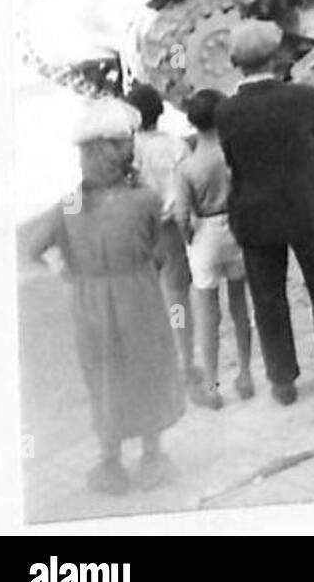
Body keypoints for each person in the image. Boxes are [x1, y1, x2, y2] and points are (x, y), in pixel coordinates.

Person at [21, 98, 185, 495]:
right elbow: (162, 253)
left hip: (90, 303)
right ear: (123, 152)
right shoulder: (144, 199)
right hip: (139, 296)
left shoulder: (73, 203)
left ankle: (110, 463)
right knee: (147, 369)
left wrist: (70, 271)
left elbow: (31, 247)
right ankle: (151, 457)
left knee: (104, 374)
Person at [215, 20, 314, 405]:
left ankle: (283, 380)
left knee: (268, 297)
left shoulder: (226, 111)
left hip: (254, 212)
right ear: (276, 56)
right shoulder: (302, 97)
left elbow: (232, 163)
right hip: (306, 205)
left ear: (235, 62)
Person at [173, 89, 254, 410]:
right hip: (234, 226)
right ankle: (246, 374)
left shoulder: (188, 166)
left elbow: (182, 213)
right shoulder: (233, 154)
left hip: (205, 232)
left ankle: (211, 384)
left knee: (207, 313)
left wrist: (187, 236)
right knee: (240, 306)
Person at [125, 83, 199, 397]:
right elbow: (187, 191)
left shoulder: (127, 151)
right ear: (161, 111)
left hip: (138, 230)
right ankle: (185, 361)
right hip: (169, 231)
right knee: (177, 297)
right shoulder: (176, 146)